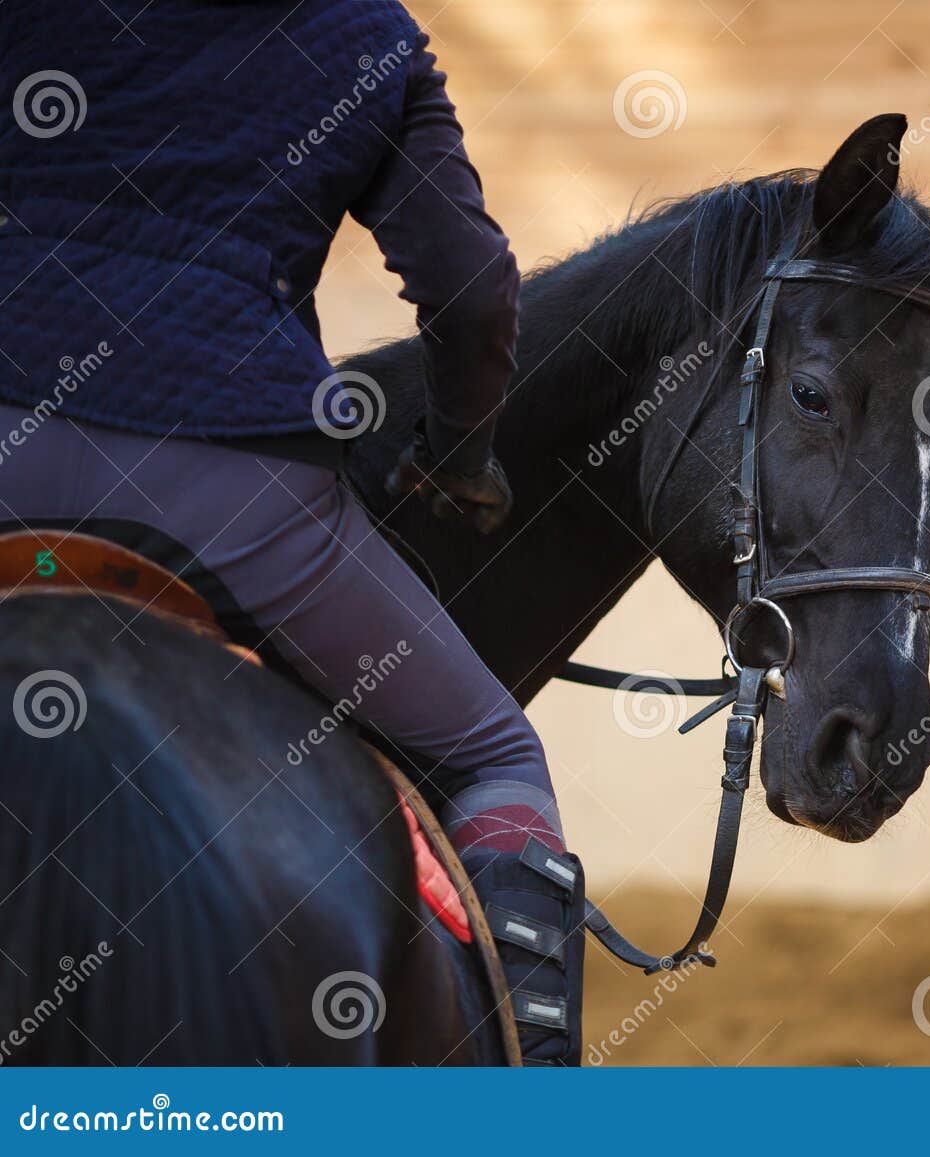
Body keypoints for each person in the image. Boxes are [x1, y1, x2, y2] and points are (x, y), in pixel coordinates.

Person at [0, 0, 581, 1064]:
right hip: (229, 491)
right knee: (495, 754)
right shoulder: (363, 33)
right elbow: (470, 289)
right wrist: (459, 450)